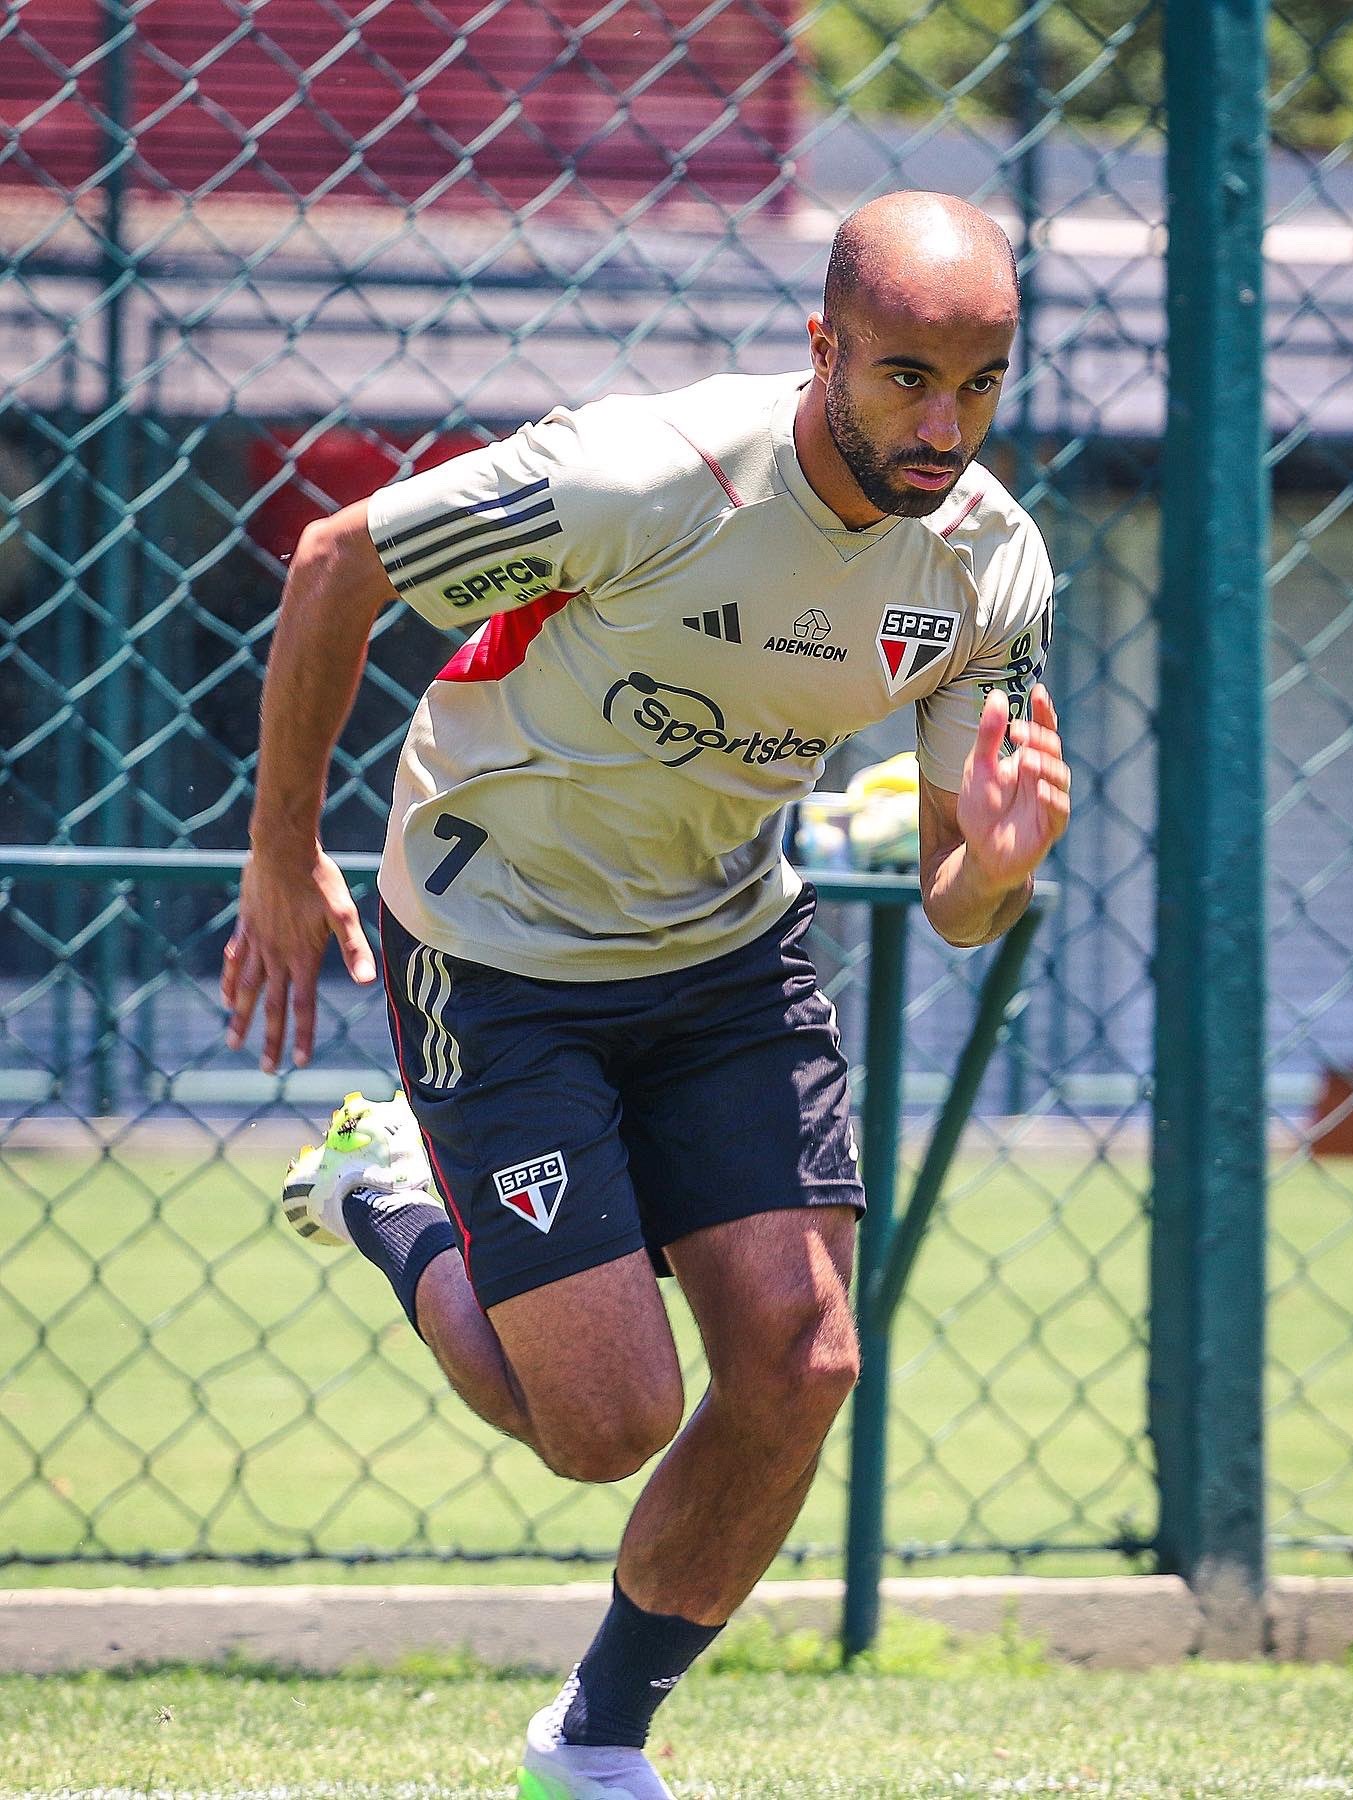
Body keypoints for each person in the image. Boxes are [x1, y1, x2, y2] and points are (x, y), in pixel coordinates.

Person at [223, 189, 1071, 1799]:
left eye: (982, 382)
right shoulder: (640, 475)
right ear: (822, 346)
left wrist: (1007, 864)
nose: (943, 425)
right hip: (501, 950)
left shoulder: (990, 568)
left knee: (805, 1362)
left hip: (728, 953)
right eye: (904, 377)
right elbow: (341, 560)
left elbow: (962, 909)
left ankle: (594, 1742)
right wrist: (282, 855)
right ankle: (385, 1194)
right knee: (604, 1422)